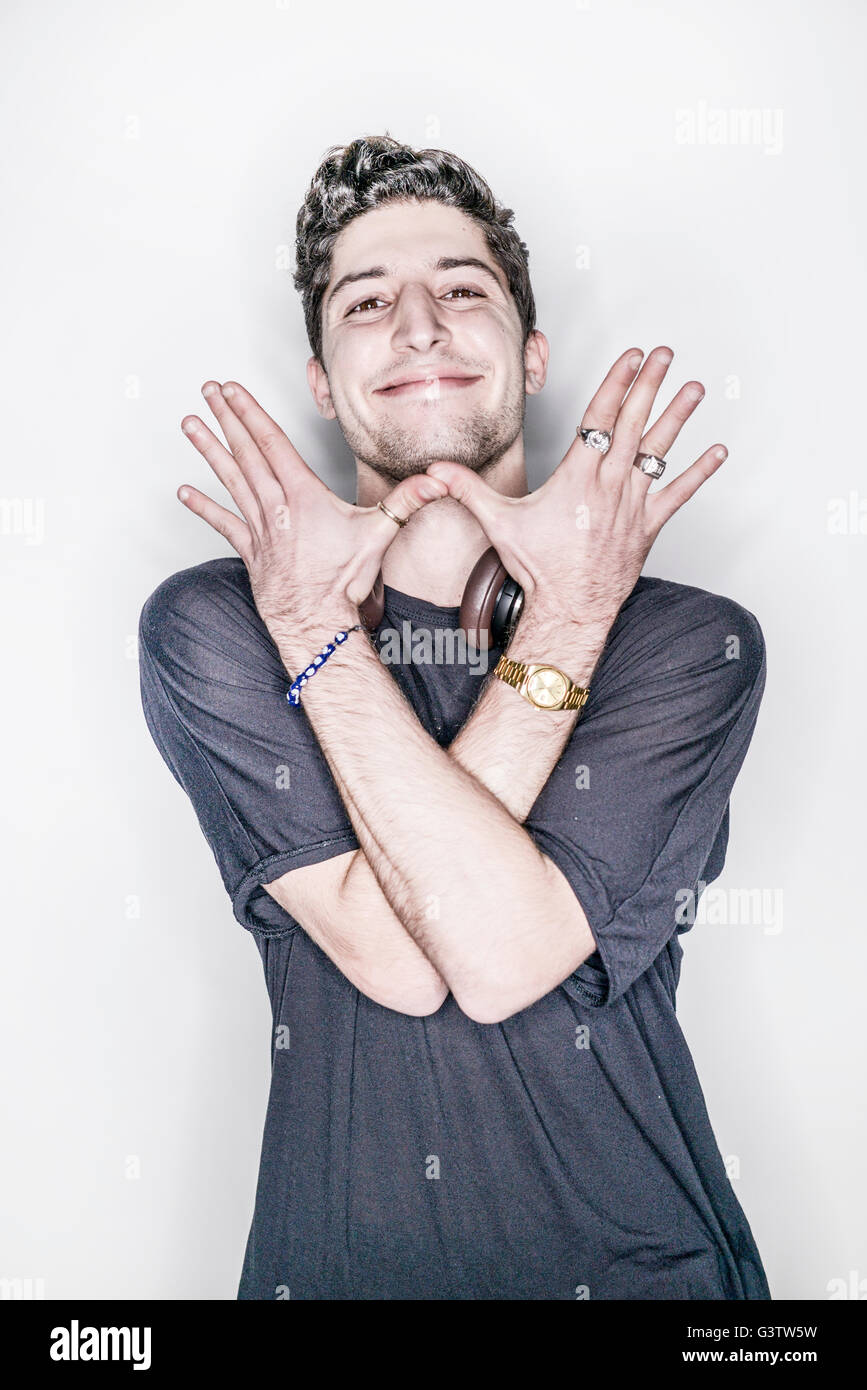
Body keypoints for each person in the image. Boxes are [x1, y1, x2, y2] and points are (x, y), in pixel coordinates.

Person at [138, 134, 770, 1300]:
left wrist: (576, 613)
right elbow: (398, 956)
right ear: (323, 381)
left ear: (530, 358)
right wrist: (306, 618)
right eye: (366, 300)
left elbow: (494, 959)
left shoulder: (685, 643)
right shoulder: (216, 624)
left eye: (461, 289)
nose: (419, 323)